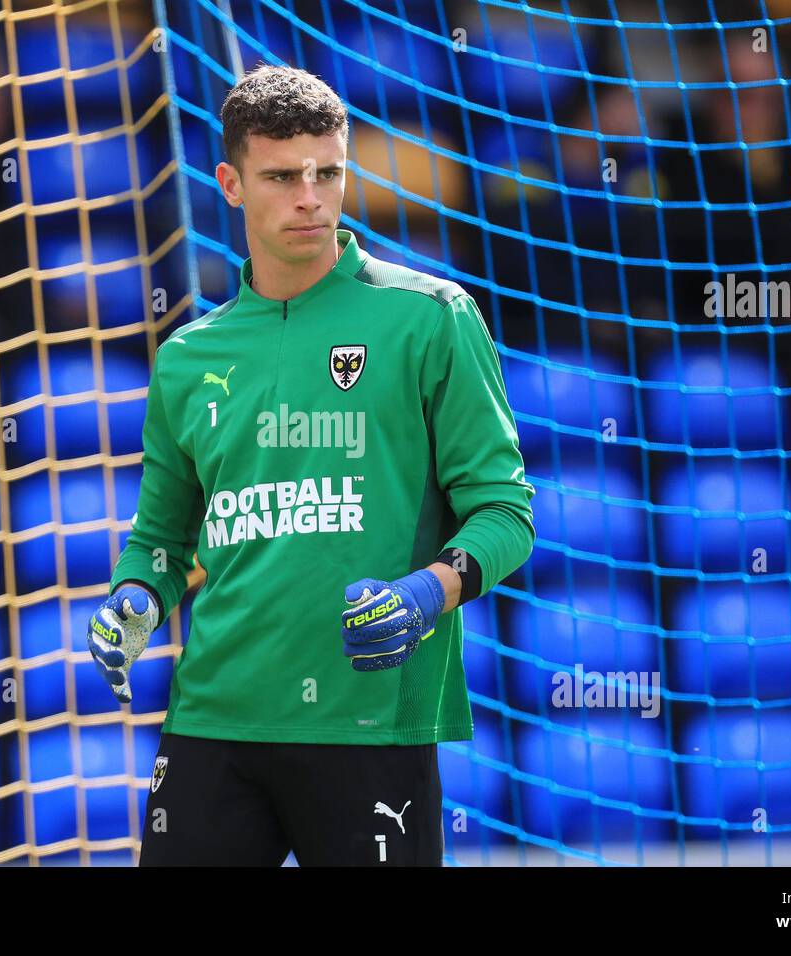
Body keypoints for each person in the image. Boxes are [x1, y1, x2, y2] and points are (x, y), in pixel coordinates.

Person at [86, 64, 536, 866]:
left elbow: (506, 512)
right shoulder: (187, 357)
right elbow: (161, 541)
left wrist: (427, 593)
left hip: (369, 723)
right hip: (213, 720)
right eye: (282, 177)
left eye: (327, 173)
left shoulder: (431, 318)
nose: (311, 198)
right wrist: (135, 601)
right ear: (230, 184)